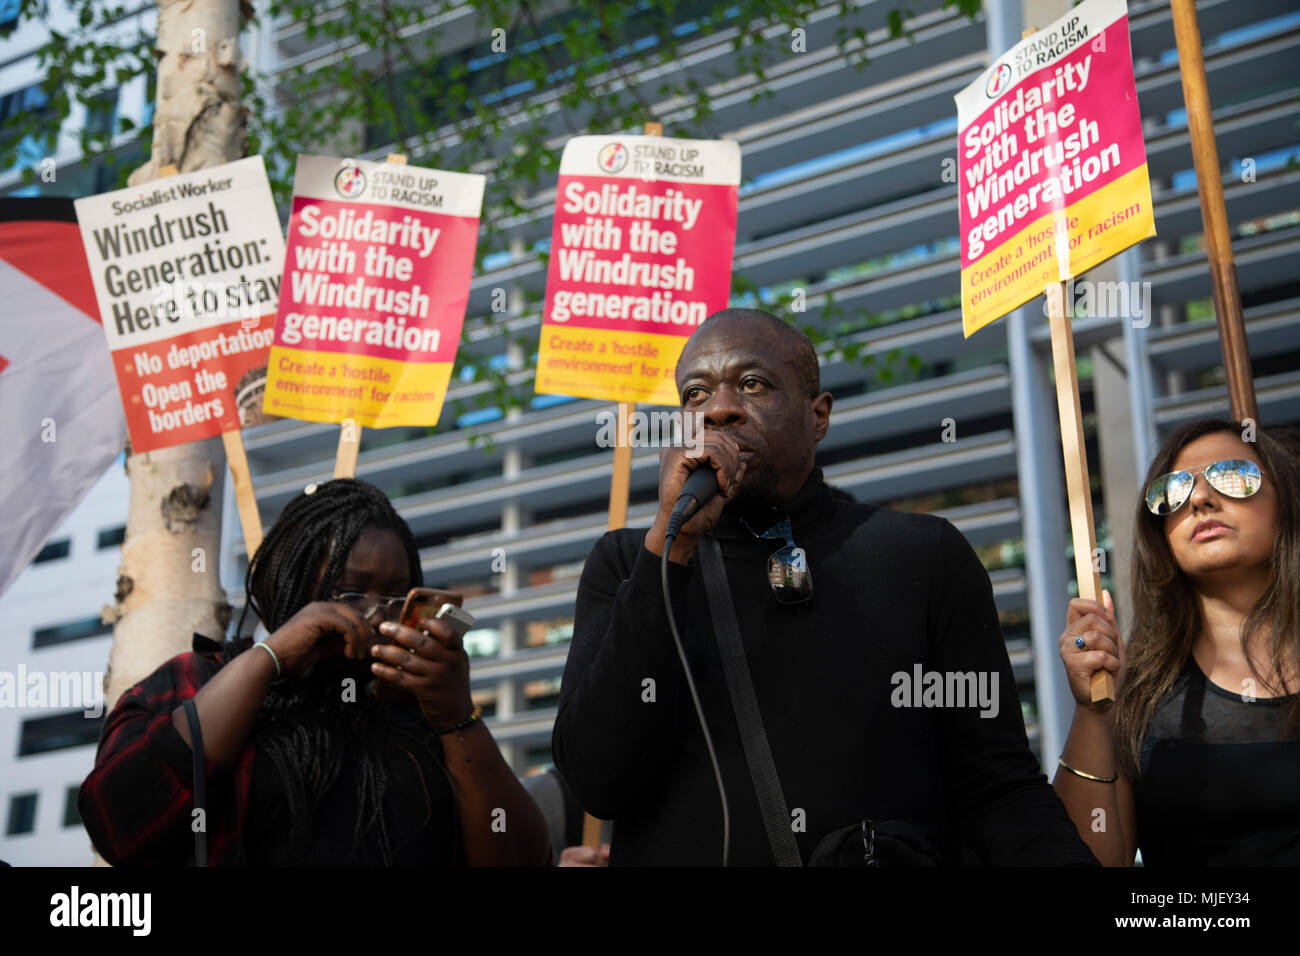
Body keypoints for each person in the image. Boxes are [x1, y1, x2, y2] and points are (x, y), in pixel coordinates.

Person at [552, 308, 1097, 866]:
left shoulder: (922, 555)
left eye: (752, 384)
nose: (718, 408)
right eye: (694, 395)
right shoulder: (627, 563)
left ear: (819, 415)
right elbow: (597, 781)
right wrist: (670, 550)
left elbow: (997, 790)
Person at [79, 478, 550, 866]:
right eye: (349, 594)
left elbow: (524, 857)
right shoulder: (204, 678)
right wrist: (271, 657)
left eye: (394, 597)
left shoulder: (424, 715)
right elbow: (119, 823)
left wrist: (456, 716)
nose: (375, 616)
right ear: (286, 585)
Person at [1053, 419, 1300, 865]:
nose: (1200, 499)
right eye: (1174, 491)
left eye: (1232, 475)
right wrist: (1093, 714)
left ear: (1286, 503)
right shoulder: (1137, 693)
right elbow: (1089, 859)